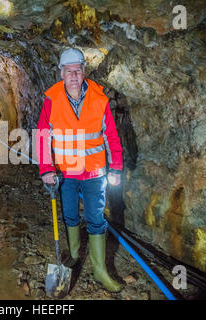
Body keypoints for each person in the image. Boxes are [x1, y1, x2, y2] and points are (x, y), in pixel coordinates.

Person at [36, 48, 123, 292]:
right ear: (61, 73)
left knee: (96, 220)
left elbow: (111, 136)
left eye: (78, 70)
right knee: (71, 216)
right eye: (68, 71)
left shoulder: (99, 99)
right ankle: (73, 256)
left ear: (84, 71)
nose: (73, 75)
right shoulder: (51, 100)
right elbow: (43, 136)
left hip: (95, 173)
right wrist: (46, 168)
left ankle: (100, 271)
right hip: (65, 173)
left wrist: (115, 166)